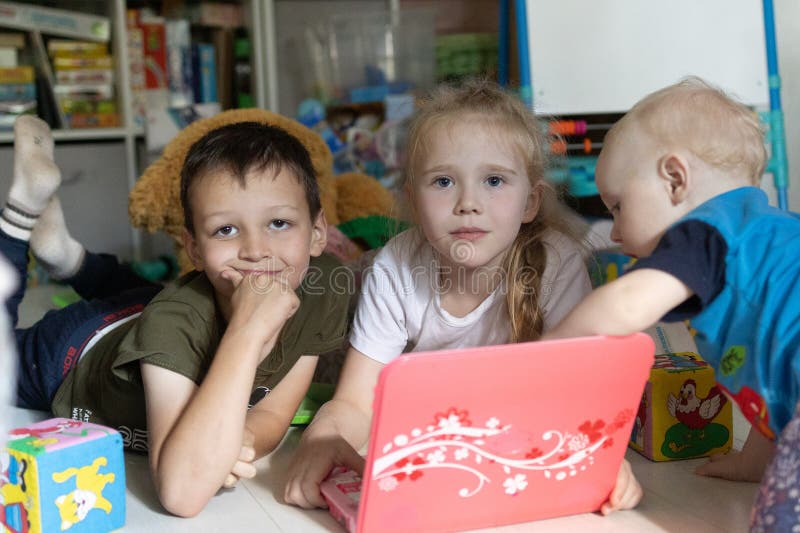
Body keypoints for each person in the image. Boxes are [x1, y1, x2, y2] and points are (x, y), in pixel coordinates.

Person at [284, 79, 643, 515]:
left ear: (530, 203)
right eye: (443, 181)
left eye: (494, 180)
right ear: (414, 202)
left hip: (514, 431)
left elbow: (579, 395)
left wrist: (600, 455)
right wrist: (322, 438)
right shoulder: (394, 268)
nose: (468, 202)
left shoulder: (556, 263)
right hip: (431, 429)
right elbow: (356, 401)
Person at [1, 116, 351, 517]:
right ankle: (21, 214)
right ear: (194, 249)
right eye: (225, 230)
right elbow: (181, 493)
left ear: (318, 232)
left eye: (278, 223)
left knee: (162, 299)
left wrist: (242, 439)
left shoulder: (324, 283)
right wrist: (247, 329)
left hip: (157, 313)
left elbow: (273, 410)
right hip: (74, 353)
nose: (256, 250)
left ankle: (68, 258)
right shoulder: (173, 319)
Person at [540, 77, 800, 529]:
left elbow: (624, 307)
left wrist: (550, 347)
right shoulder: (765, 237)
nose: (616, 232)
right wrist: (755, 463)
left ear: (675, 180)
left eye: (618, 206)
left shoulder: (706, 231)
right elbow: (775, 387)